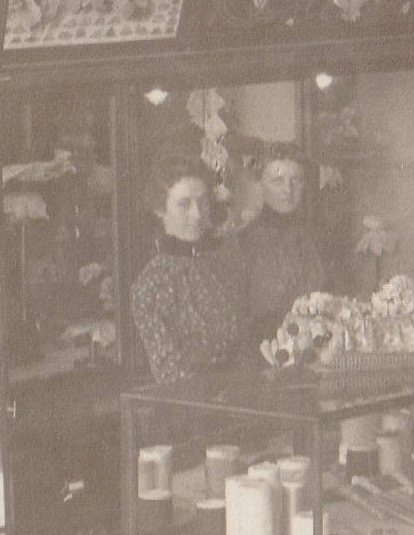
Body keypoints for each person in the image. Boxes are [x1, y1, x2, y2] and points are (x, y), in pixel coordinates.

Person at [127, 164, 247, 384]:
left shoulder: (221, 265)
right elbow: (169, 370)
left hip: (239, 395)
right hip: (189, 405)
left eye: (202, 202)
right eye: (184, 204)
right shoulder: (152, 283)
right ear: (160, 209)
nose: (197, 214)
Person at [235, 142, 332, 343]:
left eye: (296, 180)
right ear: (260, 184)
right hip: (264, 351)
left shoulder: (315, 238)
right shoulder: (244, 241)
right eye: (277, 181)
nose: (288, 190)